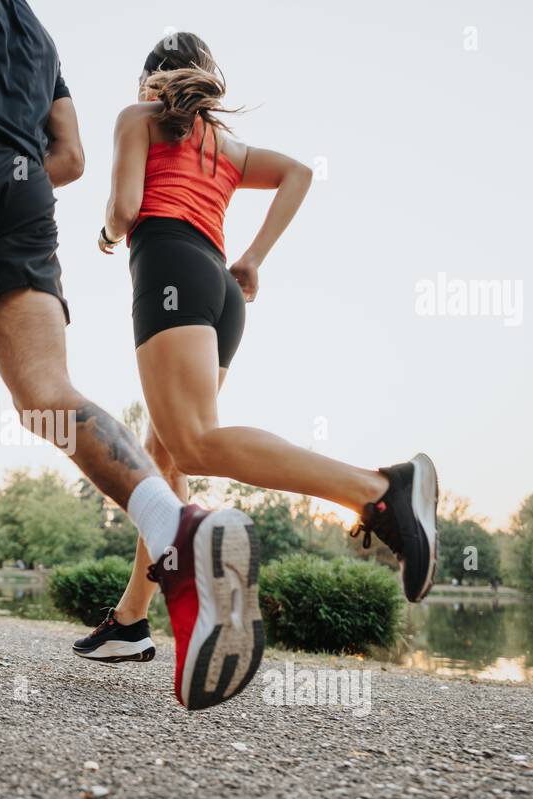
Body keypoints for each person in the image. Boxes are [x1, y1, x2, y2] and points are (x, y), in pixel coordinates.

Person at [0, 1, 262, 711]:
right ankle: (175, 524)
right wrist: (7, 176)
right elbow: (72, 158)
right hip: (25, 192)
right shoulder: (40, 39)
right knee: (47, 395)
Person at [73, 32, 438, 665]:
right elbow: (298, 172)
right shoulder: (228, 146)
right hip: (220, 288)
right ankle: (133, 617)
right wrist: (252, 258)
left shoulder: (139, 119)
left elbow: (127, 208)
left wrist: (104, 235)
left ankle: (379, 490)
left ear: (148, 82)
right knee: (166, 452)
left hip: (169, 269)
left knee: (190, 442)